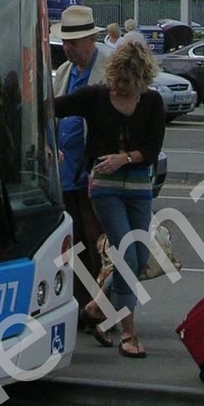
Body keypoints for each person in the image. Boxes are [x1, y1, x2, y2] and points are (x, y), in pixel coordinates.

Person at [53, 35, 165, 358]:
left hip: (140, 190)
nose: (117, 91)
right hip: (104, 188)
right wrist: (51, 146)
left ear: (140, 82)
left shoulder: (153, 103)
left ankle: (96, 308)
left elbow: (152, 149)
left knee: (141, 258)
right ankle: (128, 334)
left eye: (125, 87)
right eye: (114, 83)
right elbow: (51, 107)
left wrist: (125, 158)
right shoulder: (95, 96)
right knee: (127, 255)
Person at [51, 5, 110, 327]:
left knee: (98, 241)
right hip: (66, 171)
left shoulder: (110, 68)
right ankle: (79, 304)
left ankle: (102, 307)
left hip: (96, 171)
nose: (67, 48)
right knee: (71, 244)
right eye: (65, 43)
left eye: (73, 43)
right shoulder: (64, 72)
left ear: (90, 39)